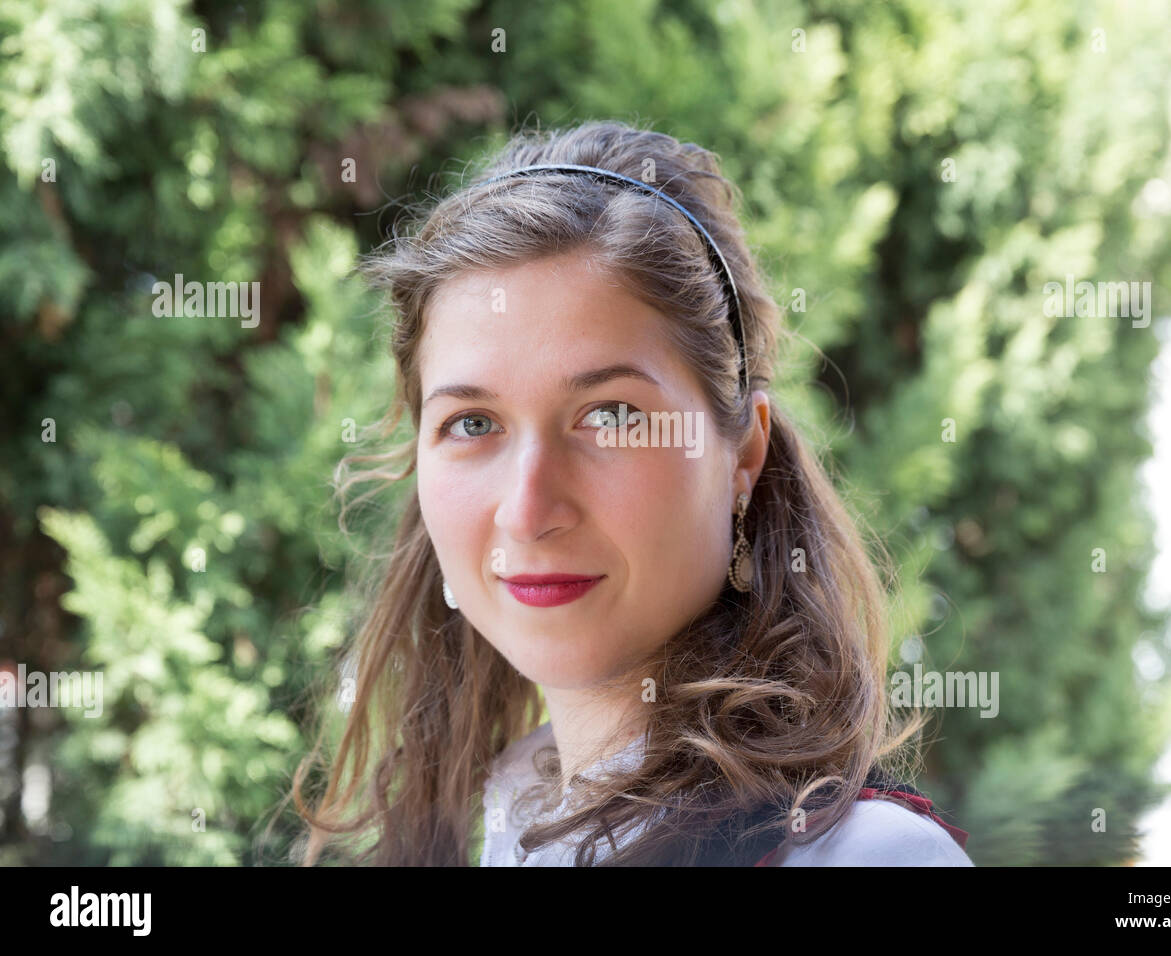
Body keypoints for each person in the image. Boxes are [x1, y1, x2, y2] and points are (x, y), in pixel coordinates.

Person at [290, 119, 972, 866]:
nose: (526, 508)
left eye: (610, 417)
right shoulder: (494, 834)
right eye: (473, 421)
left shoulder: (865, 858)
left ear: (744, 451)